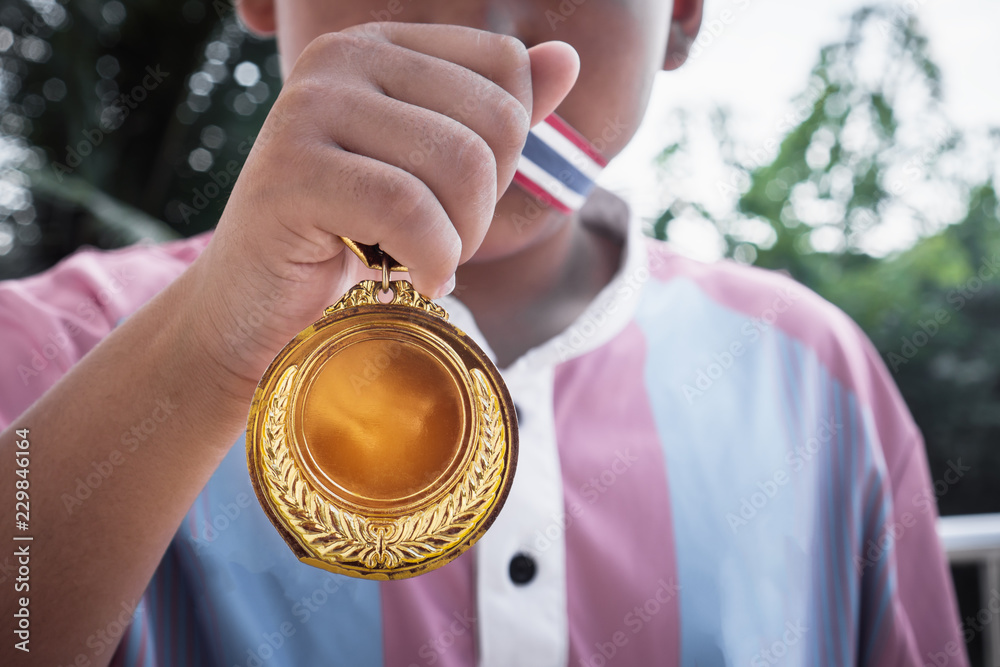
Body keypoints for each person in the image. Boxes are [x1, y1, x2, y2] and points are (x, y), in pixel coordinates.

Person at [0, 0, 968, 665]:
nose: (489, 33)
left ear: (681, 10)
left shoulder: (814, 378)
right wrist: (201, 359)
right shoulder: (49, 356)